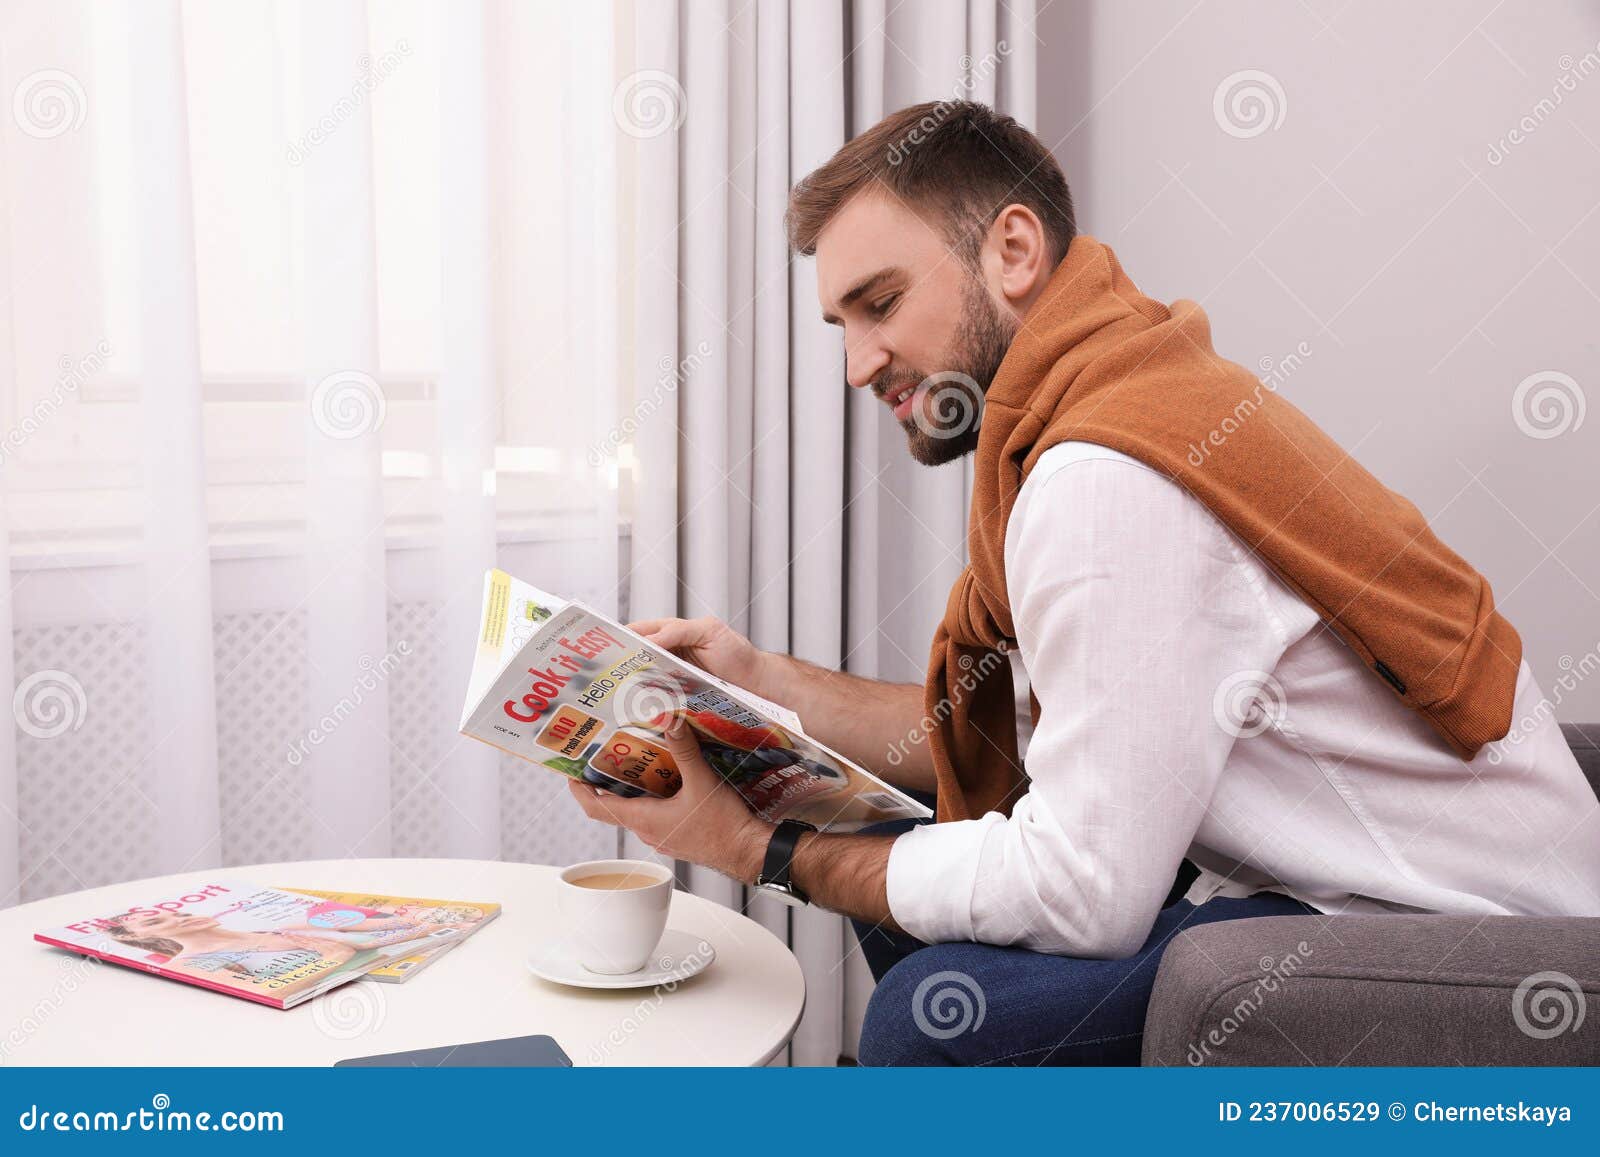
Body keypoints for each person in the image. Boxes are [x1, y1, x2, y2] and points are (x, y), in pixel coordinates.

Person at [568, 101, 1600, 1065]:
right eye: (842, 324)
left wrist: (755, 845)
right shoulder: (1117, 398)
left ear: (1012, 250)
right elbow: (1004, 728)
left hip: (1454, 926)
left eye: (879, 304)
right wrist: (760, 683)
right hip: (1335, 883)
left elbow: (1084, 890)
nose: (859, 364)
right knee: (894, 882)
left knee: (926, 1022)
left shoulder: (1105, 476)